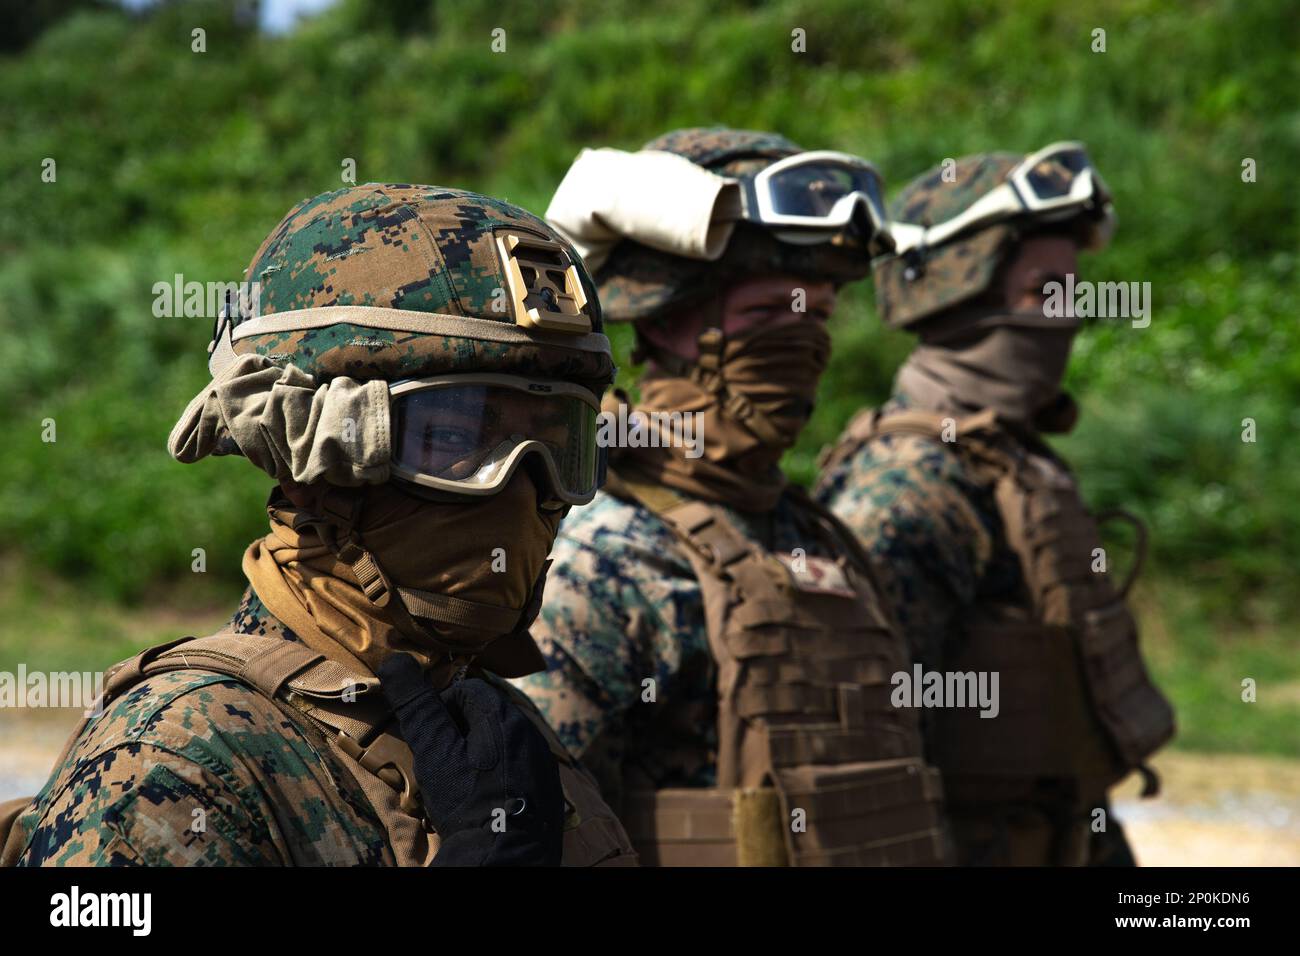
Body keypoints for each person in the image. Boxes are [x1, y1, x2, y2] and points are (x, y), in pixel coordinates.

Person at [0, 184, 636, 867]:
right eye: (456, 438)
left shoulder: (497, 731)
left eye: (554, 445)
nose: (520, 488)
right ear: (311, 466)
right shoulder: (176, 766)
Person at [516, 127, 948, 866]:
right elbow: (544, 838)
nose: (803, 340)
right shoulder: (599, 559)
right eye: (766, 314)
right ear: (664, 319)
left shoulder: (815, 534)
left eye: (818, 312)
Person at [816, 145, 1175, 865]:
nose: (1068, 318)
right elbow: (872, 769)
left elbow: (1061, 768)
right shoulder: (910, 490)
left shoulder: (1015, 462)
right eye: (1046, 292)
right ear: (955, 292)